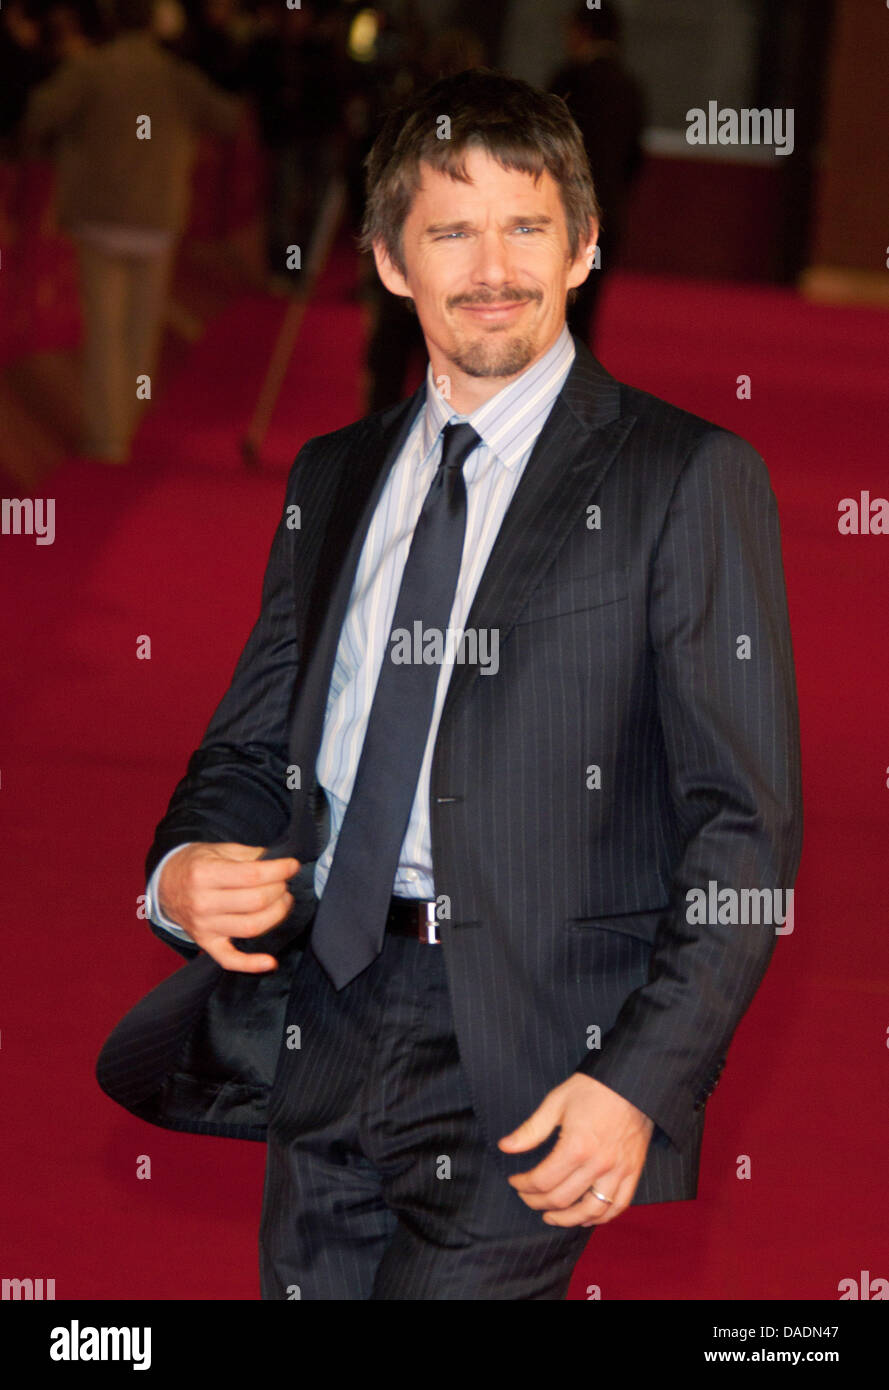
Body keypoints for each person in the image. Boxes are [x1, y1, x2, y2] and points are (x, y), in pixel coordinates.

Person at [98, 68, 803, 1301]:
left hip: (533, 1053)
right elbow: (253, 749)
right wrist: (183, 866)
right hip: (323, 1007)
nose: (493, 267)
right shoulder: (333, 475)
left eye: (527, 224)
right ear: (386, 261)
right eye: (451, 230)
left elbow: (745, 830)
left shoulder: (684, 478)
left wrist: (639, 1076)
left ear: (585, 246)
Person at [22, 0, 241, 462]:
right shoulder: (175, 76)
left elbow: (40, 114)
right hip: (157, 221)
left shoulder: (92, 70)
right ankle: (130, 420)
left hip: (98, 218)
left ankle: (107, 439)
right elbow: (227, 119)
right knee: (141, 332)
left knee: (104, 332)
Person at [548, 0, 646, 347]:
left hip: (560, 215)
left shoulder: (569, 80)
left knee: (548, 315)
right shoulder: (630, 86)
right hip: (606, 216)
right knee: (584, 317)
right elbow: (634, 159)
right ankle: (581, 395)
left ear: (580, 31)